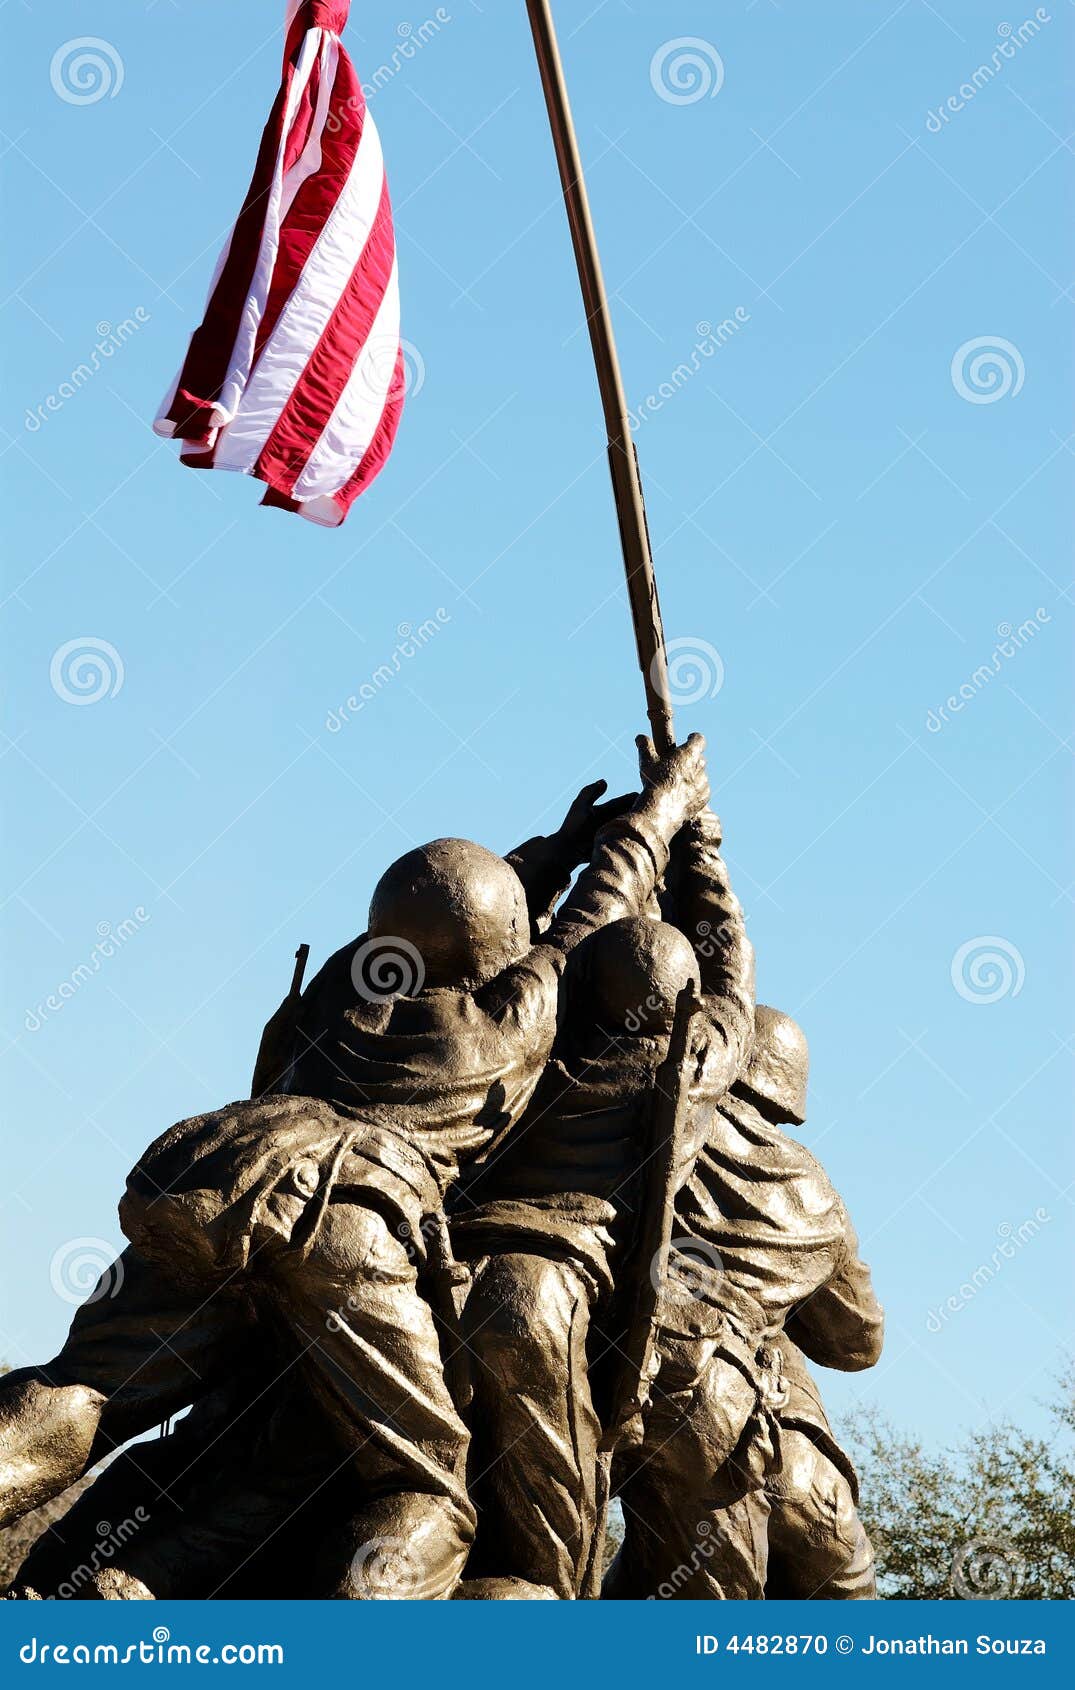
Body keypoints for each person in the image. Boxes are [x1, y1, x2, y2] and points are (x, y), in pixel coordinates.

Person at [0, 741, 709, 1601]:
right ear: (507, 945)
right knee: (428, 1484)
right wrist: (662, 816)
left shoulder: (339, 991)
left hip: (215, 1179)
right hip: (346, 1213)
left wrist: (548, 850)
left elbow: (433, 917)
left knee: (76, 1390)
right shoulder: (501, 1021)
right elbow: (588, 919)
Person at [452, 800, 755, 1597]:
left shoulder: (513, 1047)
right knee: (545, 1562)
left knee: (431, 1508)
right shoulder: (686, 1075)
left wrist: (608, 840)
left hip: (437, 1276)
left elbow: (561, 938)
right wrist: (702, 853)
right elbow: (731, 972)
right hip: (539, 1297)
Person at [604, 1007, 883, 1600]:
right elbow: (859, 1341)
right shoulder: (817, 1196)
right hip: (749, 1429)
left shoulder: (661, 1122)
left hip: (659, 1385)